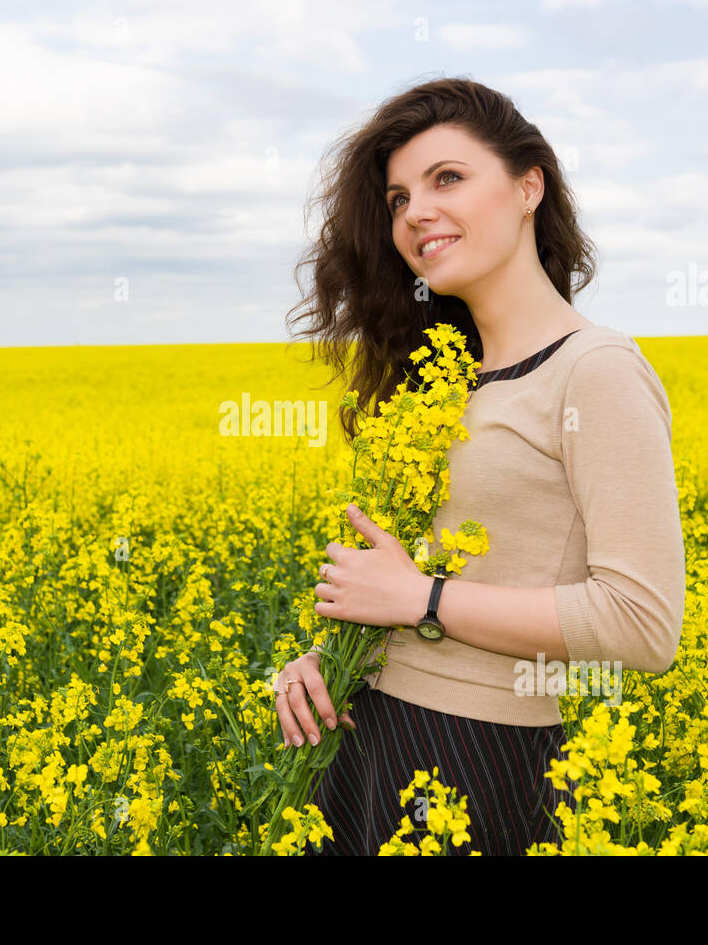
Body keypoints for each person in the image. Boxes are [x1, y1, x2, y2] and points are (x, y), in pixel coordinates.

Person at [273, 77, 686, 856]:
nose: (415, 211)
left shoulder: (594, 370)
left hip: (480, 757)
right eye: (397, 199)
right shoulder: (437, 381)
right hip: (363, 736)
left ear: (529, 185)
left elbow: (644, 624)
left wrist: (419, 597)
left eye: (447, 178)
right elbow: (398, 581)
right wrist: (326, 658)